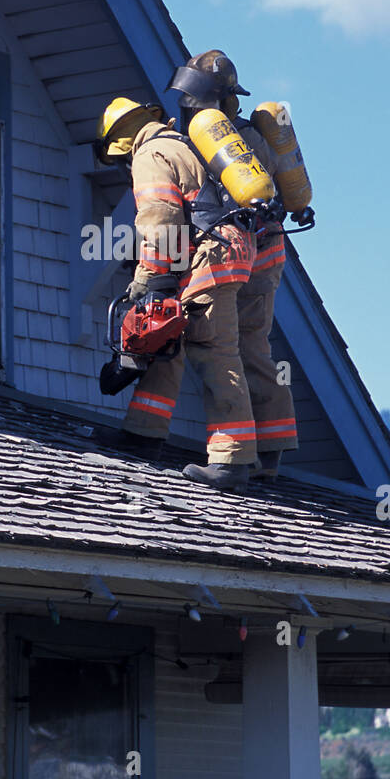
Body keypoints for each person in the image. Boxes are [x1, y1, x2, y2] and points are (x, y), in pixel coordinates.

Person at [93, 92, 258, 492]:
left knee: (214, 350)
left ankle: (231, 460)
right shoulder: (181, 144)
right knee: (170, 340)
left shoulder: (150, 154)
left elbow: (161, 220)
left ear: (122, 147)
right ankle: (144, 433)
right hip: (217, 249)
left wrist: (148, 277)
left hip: (212, 253)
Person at [165, 51, 299, 482]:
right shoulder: (253, 138)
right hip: (269, 250)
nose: (185, 106)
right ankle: (271, 454)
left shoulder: (206, 140)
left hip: (229, 250)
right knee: (254, 348)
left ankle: (232, 459)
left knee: (215, 348)